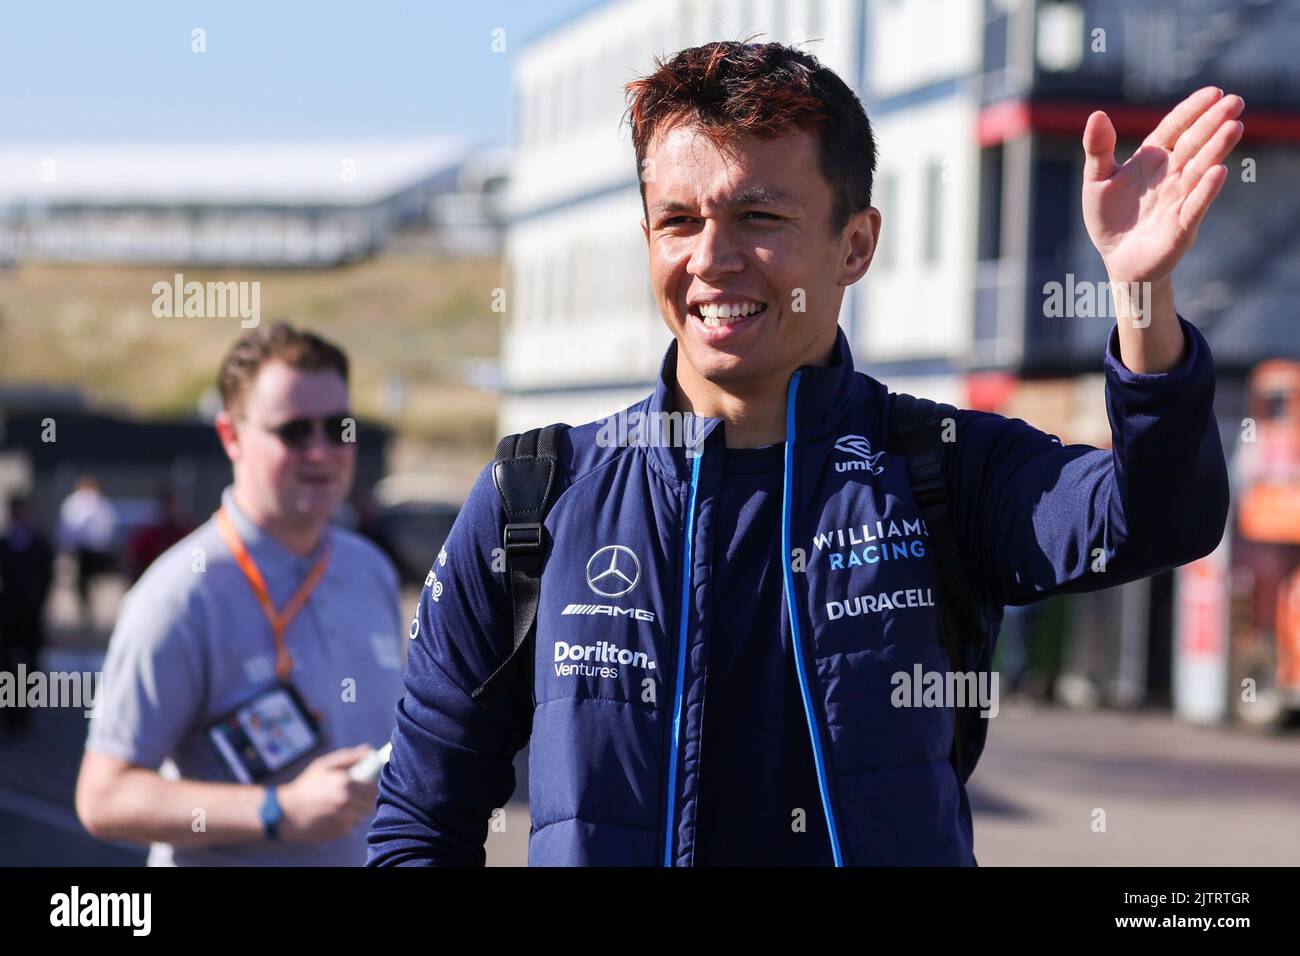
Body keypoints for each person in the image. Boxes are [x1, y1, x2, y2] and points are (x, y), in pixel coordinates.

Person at [367, 42, 1235, 866]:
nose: (712, 260)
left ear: (855, 244)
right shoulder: (535, 499)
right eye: (678, 221)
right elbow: (420, 822)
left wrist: (1141, 294)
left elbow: (1158, 518)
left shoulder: (939, 465)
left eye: (759, 217)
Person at [77, 322, 406, 865]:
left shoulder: (368, 568)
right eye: (296, 432)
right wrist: (277, 809)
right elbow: (104, 795)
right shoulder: (180, 595)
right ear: (231, 436)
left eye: (338, 428)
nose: (323, 452)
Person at [0, 495, 55, 732]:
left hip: (31, 609)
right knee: (7, 660)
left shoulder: (38, 542)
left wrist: (40, 599)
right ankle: (12, 706)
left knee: (31, 659)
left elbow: (47, 574)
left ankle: (26, 705)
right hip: (8, 611)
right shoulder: (4, 543)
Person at [57, 476, 116, 628]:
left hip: (89, 549)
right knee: (84, 581)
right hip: (85, 549)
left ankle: (88, 607)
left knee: (88, 580)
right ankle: (86, 607)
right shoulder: (80, 502)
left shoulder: (96, 502)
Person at [126, 488, 194, 582]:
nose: (169, 511)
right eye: (166, 507)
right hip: (152, 582)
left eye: (172, 506)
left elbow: (198, 564)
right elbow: (133, 563)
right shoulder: (149, 536)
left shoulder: (187, 534)